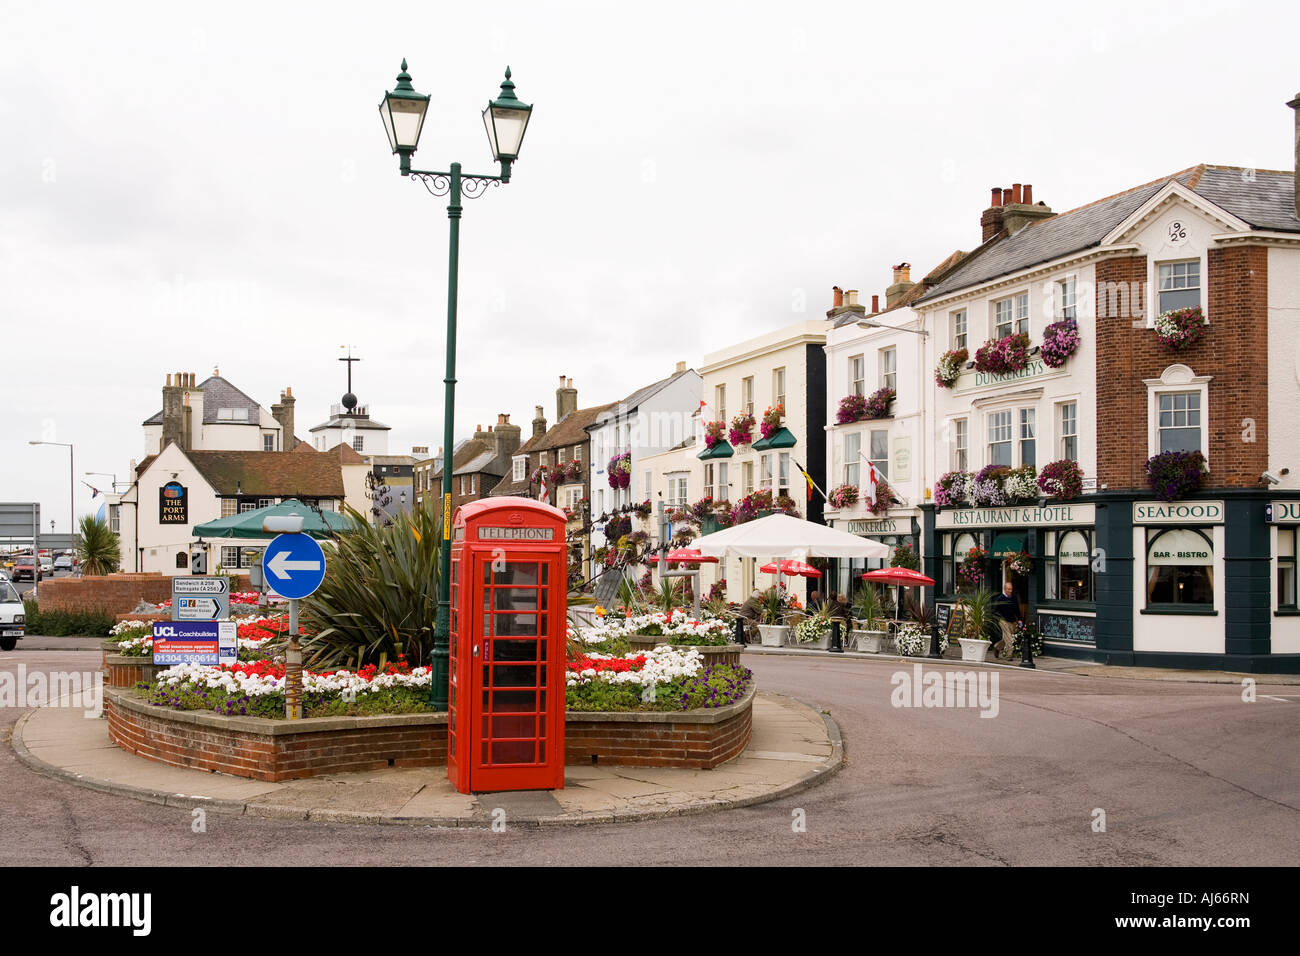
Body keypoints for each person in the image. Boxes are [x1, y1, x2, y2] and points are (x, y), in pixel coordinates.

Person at [991, 580, 1022, 658]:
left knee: (1006, 638)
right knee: (1008, 637)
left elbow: (1017, 610)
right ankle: (1009, 654)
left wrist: (1019, 619)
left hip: (1011, 620)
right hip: (1002, 620)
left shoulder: (1014, 598)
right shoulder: (1000, 598)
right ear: (1005, 589)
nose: (1010, 591)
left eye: (1011, 589)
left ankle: (997, 647)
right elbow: (995, 611)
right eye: (1008, 589)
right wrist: (999, 618)